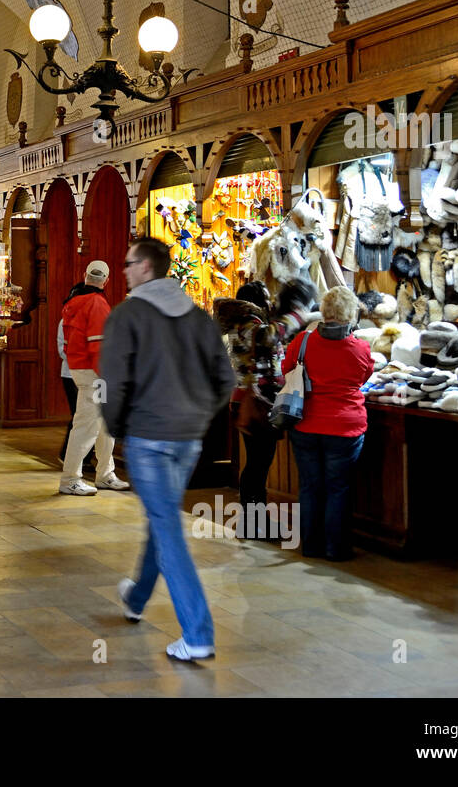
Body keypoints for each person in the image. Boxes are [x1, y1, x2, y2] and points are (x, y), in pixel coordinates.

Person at [101, 237, 237, 662]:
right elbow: (225, 379)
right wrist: (199, 415)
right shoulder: (197, 316)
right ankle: (137, 597)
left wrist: (117, 426)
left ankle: (197, 632)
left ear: (145, 268)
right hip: (188, 439)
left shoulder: (127, 315)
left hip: (148, 437)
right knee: (161, 520)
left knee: (168, 529)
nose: (122, 270)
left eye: (127, 263)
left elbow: (113, 380)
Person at [282, 286, 375, 562]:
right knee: (338, 489)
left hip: (306, 422)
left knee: (310, 486)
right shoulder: (359, 347)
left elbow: (287, 369)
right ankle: (336, 549)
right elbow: (364, 376)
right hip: (344, 427)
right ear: (350, 312)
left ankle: (311, 546)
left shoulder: (304, 341)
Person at [214, 281, 284, 536]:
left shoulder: (235, 327)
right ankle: (256, 524)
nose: (269, 299)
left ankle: (251, 521)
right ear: (257, 300)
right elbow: (274, 363)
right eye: (265, 295)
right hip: (258, 400)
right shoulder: (257, 328)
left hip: (240, 398)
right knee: (258, 464)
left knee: (253, 463)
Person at [58, 260, 124, 495]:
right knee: (87, 425)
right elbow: (99, 346)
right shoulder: (97, 303)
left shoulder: (72, 302)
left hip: (82, 369)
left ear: (84, 275)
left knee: (104, 424)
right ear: (106, 281)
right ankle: (70, 479)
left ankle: (105, 474)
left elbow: (67, 344)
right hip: (96, 373)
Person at [57, 277, 102, 474]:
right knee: (81, 415)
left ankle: (83, 457)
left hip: (89, 373)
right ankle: (72, 457)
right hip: (71, 373)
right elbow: (63, 349)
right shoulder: (65, 319)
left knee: (88, 416)